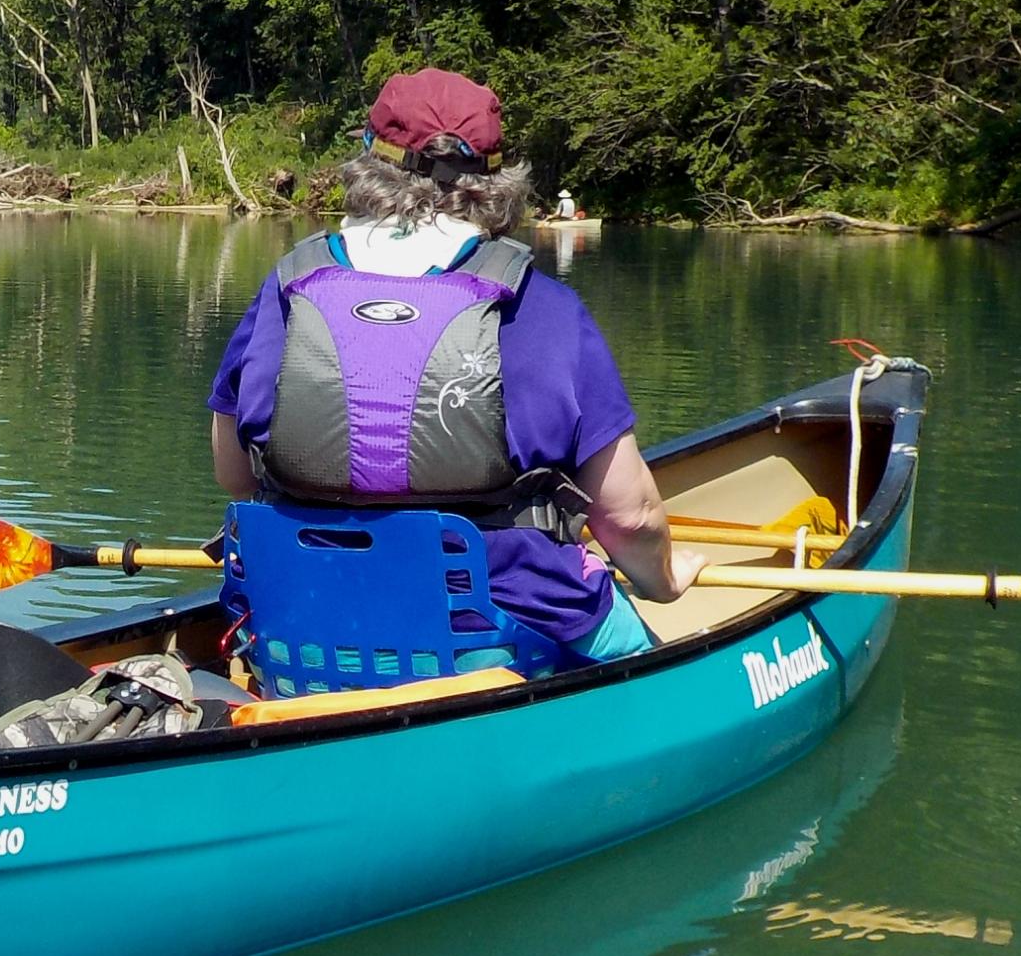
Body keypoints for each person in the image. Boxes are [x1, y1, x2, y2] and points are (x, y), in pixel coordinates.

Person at [207, 67, 702, 670]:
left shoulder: (286, 289)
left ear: (367, 162)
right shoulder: (540, 307)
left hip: (303, 635)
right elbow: (629, 515)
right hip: (493, 640)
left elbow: (234, 474)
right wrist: (666, 579)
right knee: (656, 659)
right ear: (498, 182)